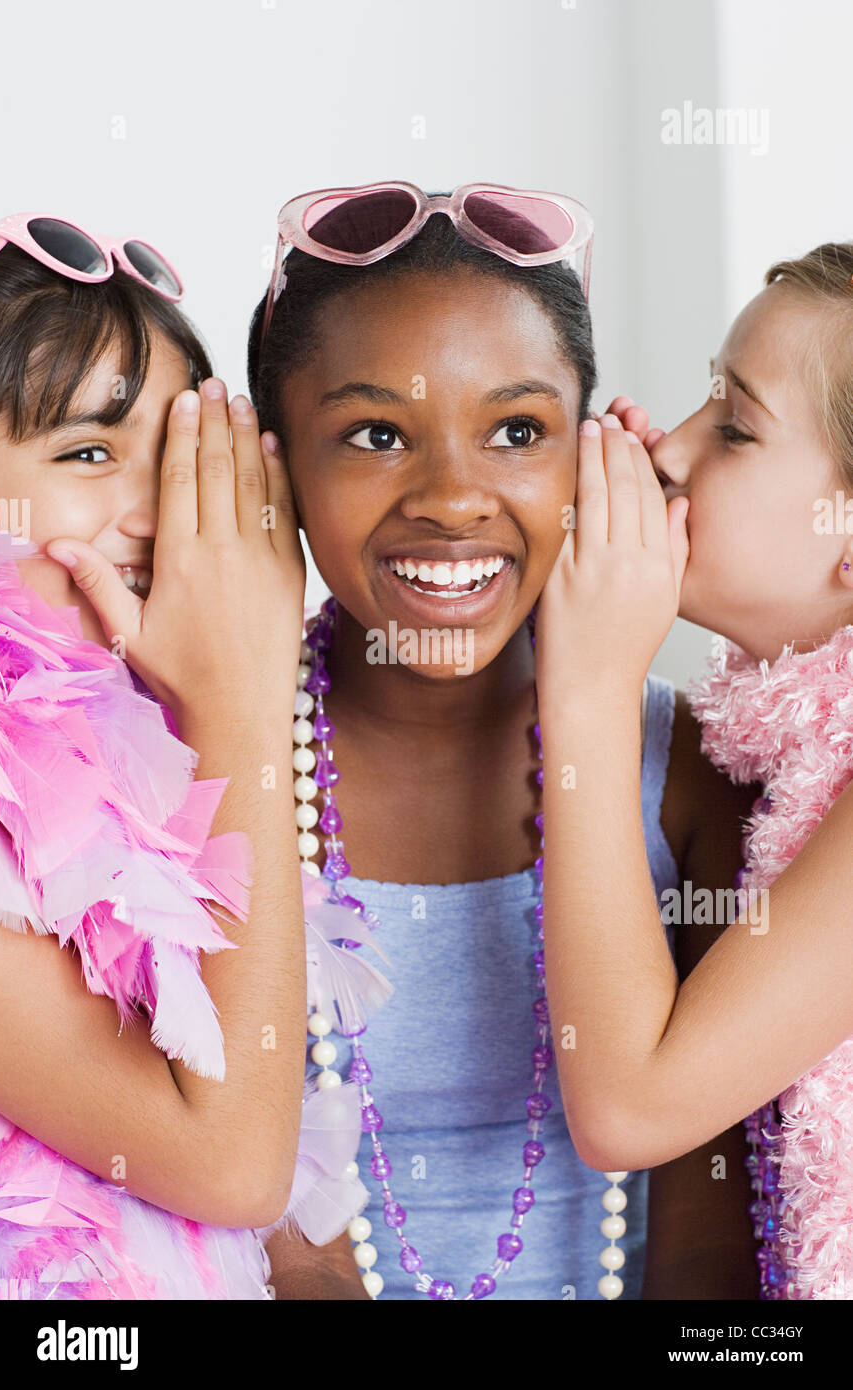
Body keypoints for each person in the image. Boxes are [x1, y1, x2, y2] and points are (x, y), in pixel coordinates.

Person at [246, 182, 758, 1300]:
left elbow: (709, 1247)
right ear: (273, 463)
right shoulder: (202, 768)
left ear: (590, 454)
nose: (451, 498)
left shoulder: (693, 777)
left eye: (516, 432)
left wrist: (593, 686)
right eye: (374, 433)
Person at [0, 214, 378, 1299]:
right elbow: (231, 1164)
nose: (159, 514)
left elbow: (287, 1217)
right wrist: (245, 701)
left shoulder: (140, 754)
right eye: (88, 452)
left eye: (178, 457)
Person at [538, 241, 853, 1299]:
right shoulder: (774, 757)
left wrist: (585, 686)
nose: (664, 449)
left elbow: (629, 1107)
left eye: (732, 428)